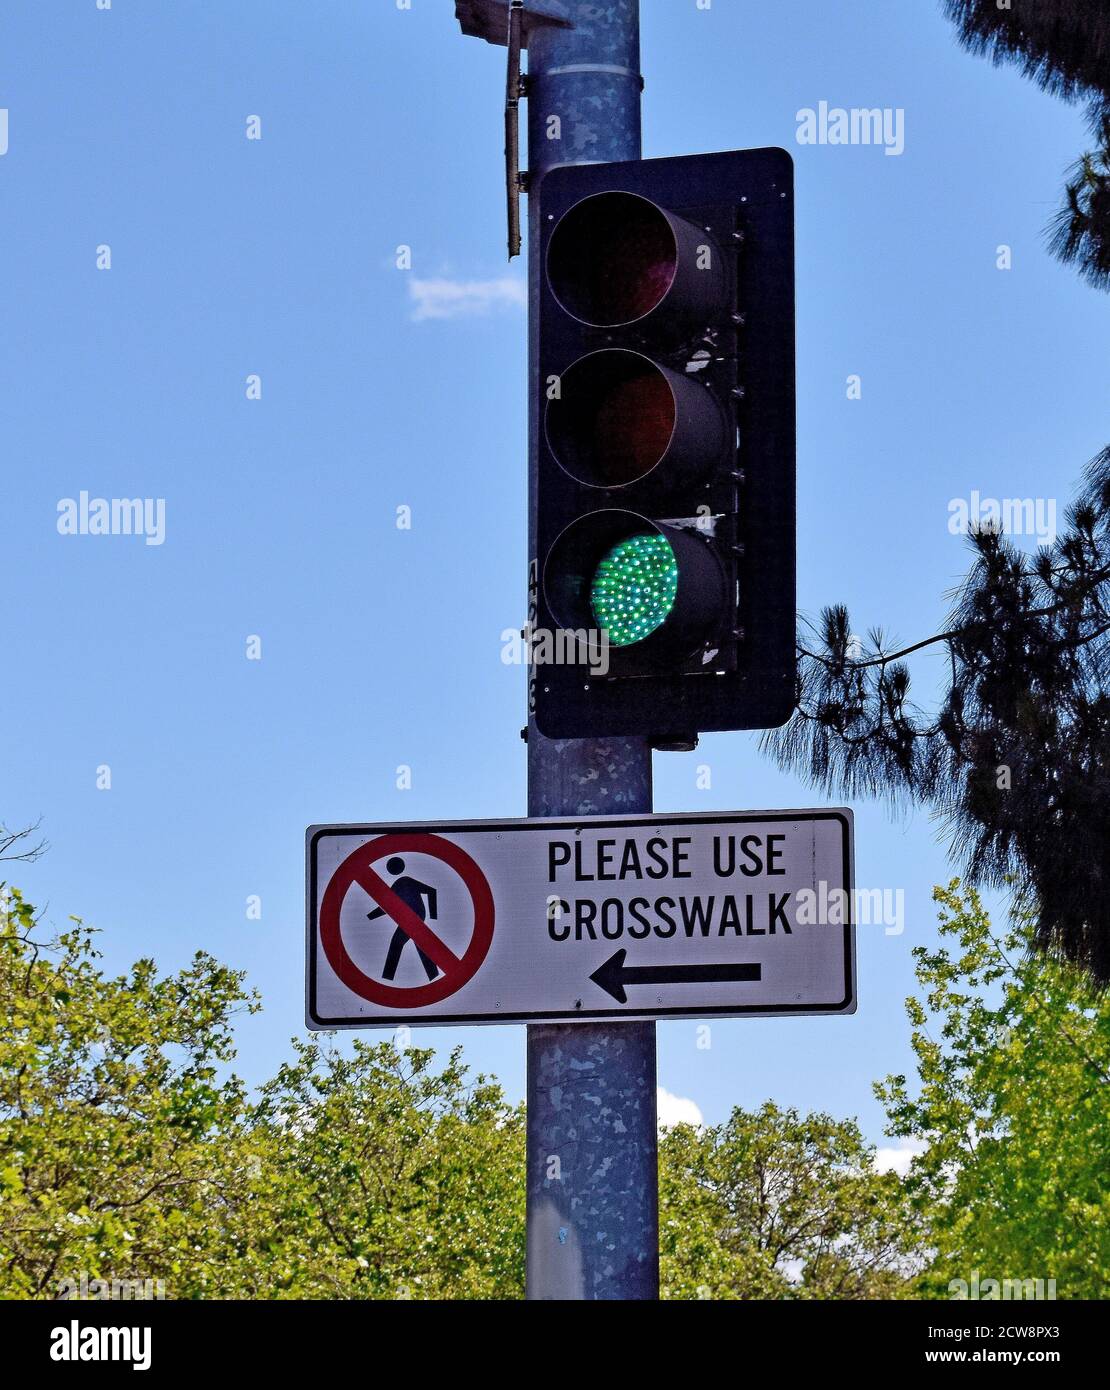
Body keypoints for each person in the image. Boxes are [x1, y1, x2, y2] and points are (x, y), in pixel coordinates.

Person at [366, 856, 440, 981]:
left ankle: (387, 979)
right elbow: (387, 907)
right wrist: (370, 917)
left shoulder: (404, 882)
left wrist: (433, 916)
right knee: (419, 945)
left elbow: (431, 891)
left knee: (396, 943)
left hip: (413, 919)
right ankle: (434, 976)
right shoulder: (399, 884)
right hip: (410, 919)